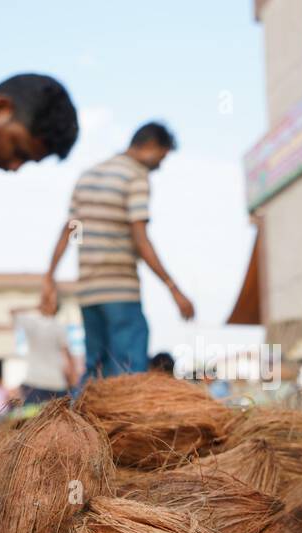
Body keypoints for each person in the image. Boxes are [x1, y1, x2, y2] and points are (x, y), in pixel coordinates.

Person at [41, 122, 195, 379]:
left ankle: (80, 419)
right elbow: (140, 239)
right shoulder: (135, 176)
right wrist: (174, 288)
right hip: (120, 290)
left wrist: (50, 276)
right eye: (162, 156)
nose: (160, 164)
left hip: (88, 291)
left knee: (96, 370)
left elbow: (71, 229)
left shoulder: (88, 176)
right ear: (151, 146)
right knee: (128, 371)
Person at [14, 308, 74, 404]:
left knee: (31, 417)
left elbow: (13, 312)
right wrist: (71, 379)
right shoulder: (59, 326)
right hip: (55, 383)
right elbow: (68, 355)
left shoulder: (32, 322)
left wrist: (35, 306)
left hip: (35, 381)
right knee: (60, 417)